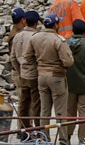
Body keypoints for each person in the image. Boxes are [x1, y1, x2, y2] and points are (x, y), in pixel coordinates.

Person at [27, 13, 75, 144]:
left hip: (41, 76)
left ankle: (44, 138)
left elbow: (28, 57)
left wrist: (39, 65)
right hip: (57, 77)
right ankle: (63, 140)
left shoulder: (35, 38)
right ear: (55, 25)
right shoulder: (58, 40)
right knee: (61, 111)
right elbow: (68, 62)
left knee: (44, 110)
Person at [11, 10, 41, 133]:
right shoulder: (36, 37)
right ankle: (38, 130)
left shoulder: (17, 36)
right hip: (34, 74)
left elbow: (13, 57)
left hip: (23, 74)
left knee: (24, 103)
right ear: (36, 23)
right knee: (36, 104)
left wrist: (20, 70)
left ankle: (24, 130)